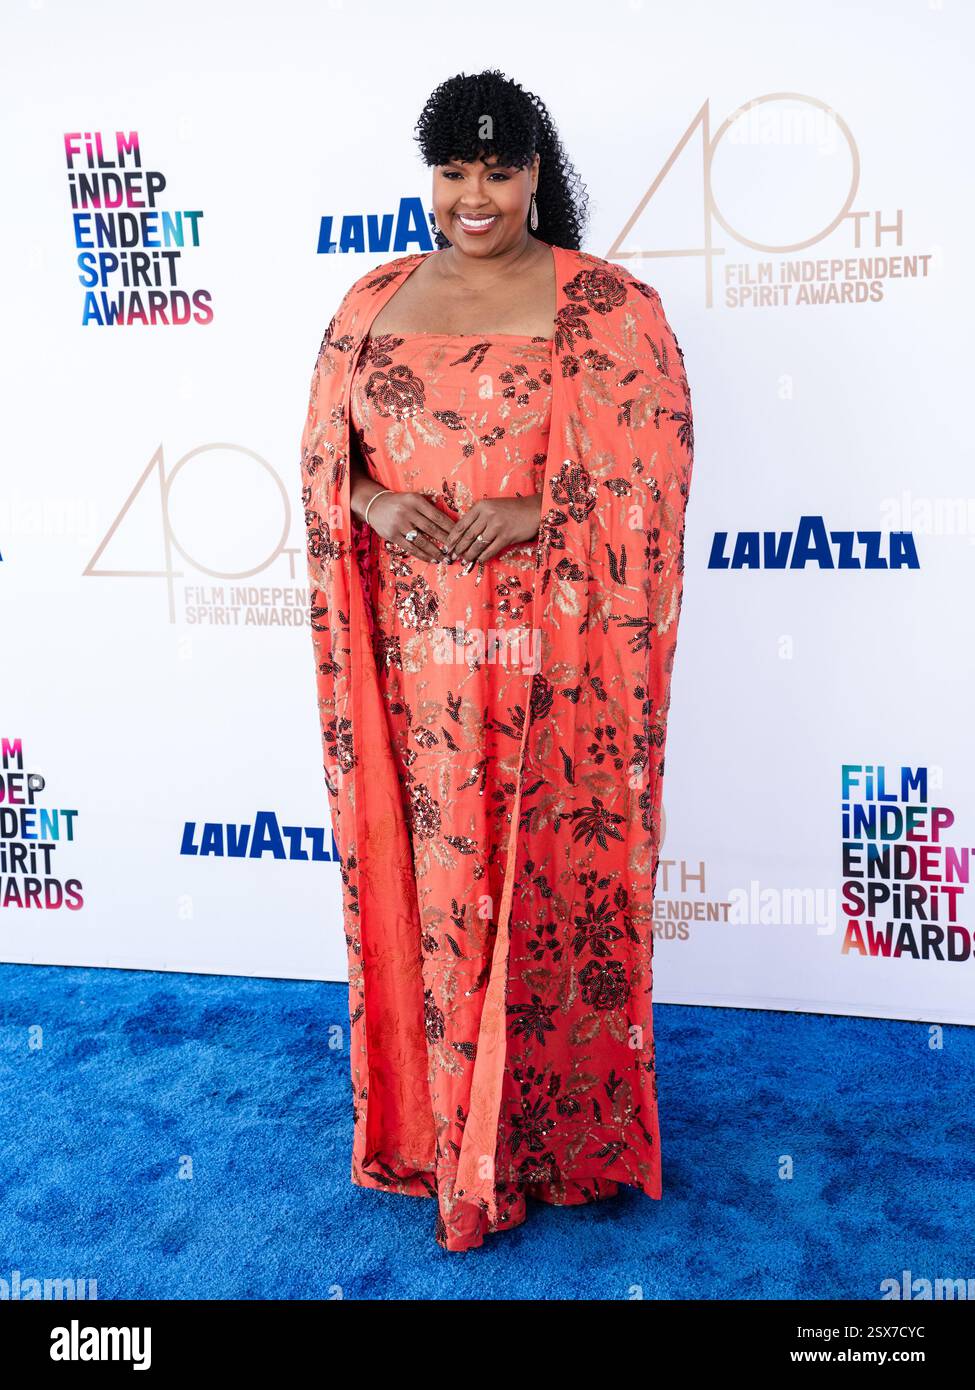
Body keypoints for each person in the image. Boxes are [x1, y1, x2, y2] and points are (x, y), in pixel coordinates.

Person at [300, 68, 695, 1252]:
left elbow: (654, 469)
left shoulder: (605, 305)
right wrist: (372, 499)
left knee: (546, 874)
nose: (475, 195)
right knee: (436, 887)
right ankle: (439, 1137)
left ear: (536, 174)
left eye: (501, 169)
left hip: (549, 657)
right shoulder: (372, 299)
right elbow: (323, 457)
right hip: (414, 659)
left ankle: (540, 1140)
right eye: (454, 169)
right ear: (431, 174)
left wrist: (533, 512)